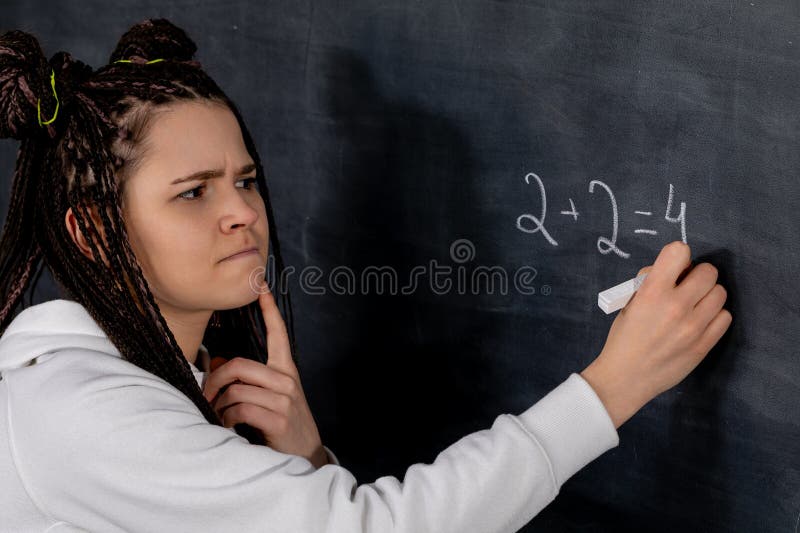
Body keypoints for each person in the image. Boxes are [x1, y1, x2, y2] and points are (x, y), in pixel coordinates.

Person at [0, 18, 732, 533]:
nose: (242, 213)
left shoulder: (147, 385)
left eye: (246, 180)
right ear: (94, 231)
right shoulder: (81, 408)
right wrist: (615, 385)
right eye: (194, 192)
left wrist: (309, 458)